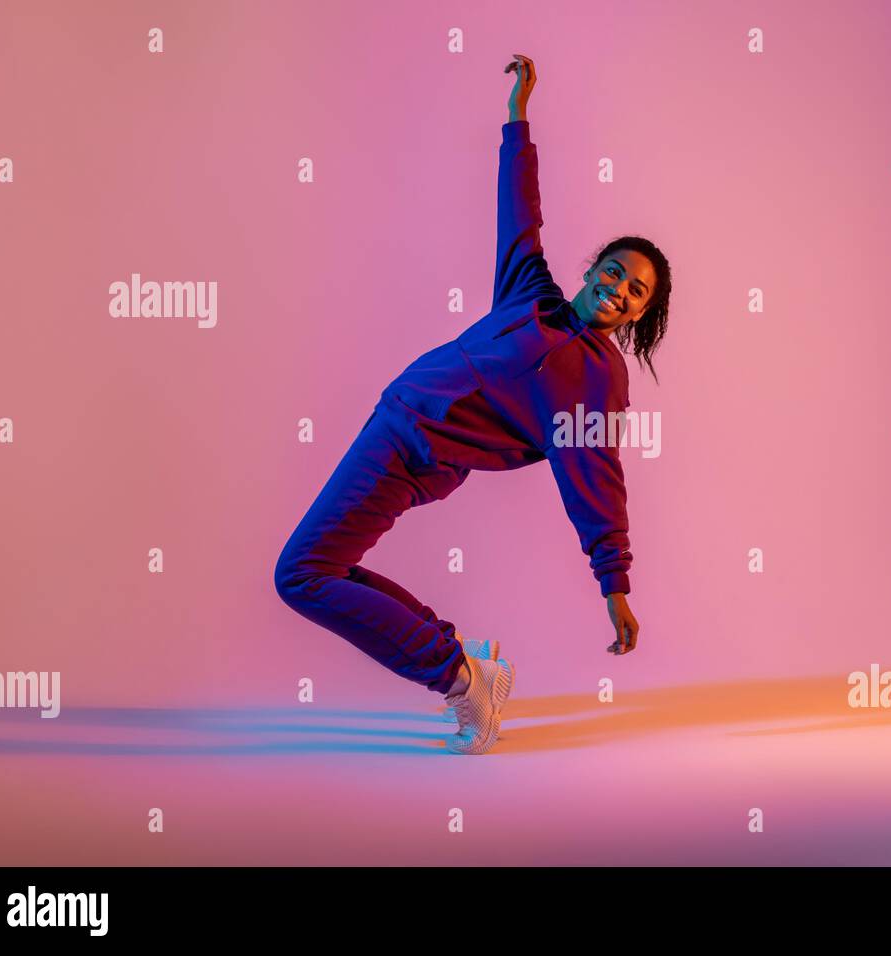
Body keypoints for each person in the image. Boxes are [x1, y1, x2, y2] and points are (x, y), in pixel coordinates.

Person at [274, 53, 672, 755]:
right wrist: (519, 115)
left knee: (302, 575)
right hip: (391, 423)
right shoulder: (531, 292)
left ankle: (459, 677)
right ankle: (460, 659)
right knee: (322, 567)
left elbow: (595, 478)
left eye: (636, 291)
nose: (619, 287)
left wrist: (615, 583)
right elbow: (519, 211)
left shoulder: (596, 380)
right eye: (616, 270)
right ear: (593, 270)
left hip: (415, 454)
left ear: (638, 314)